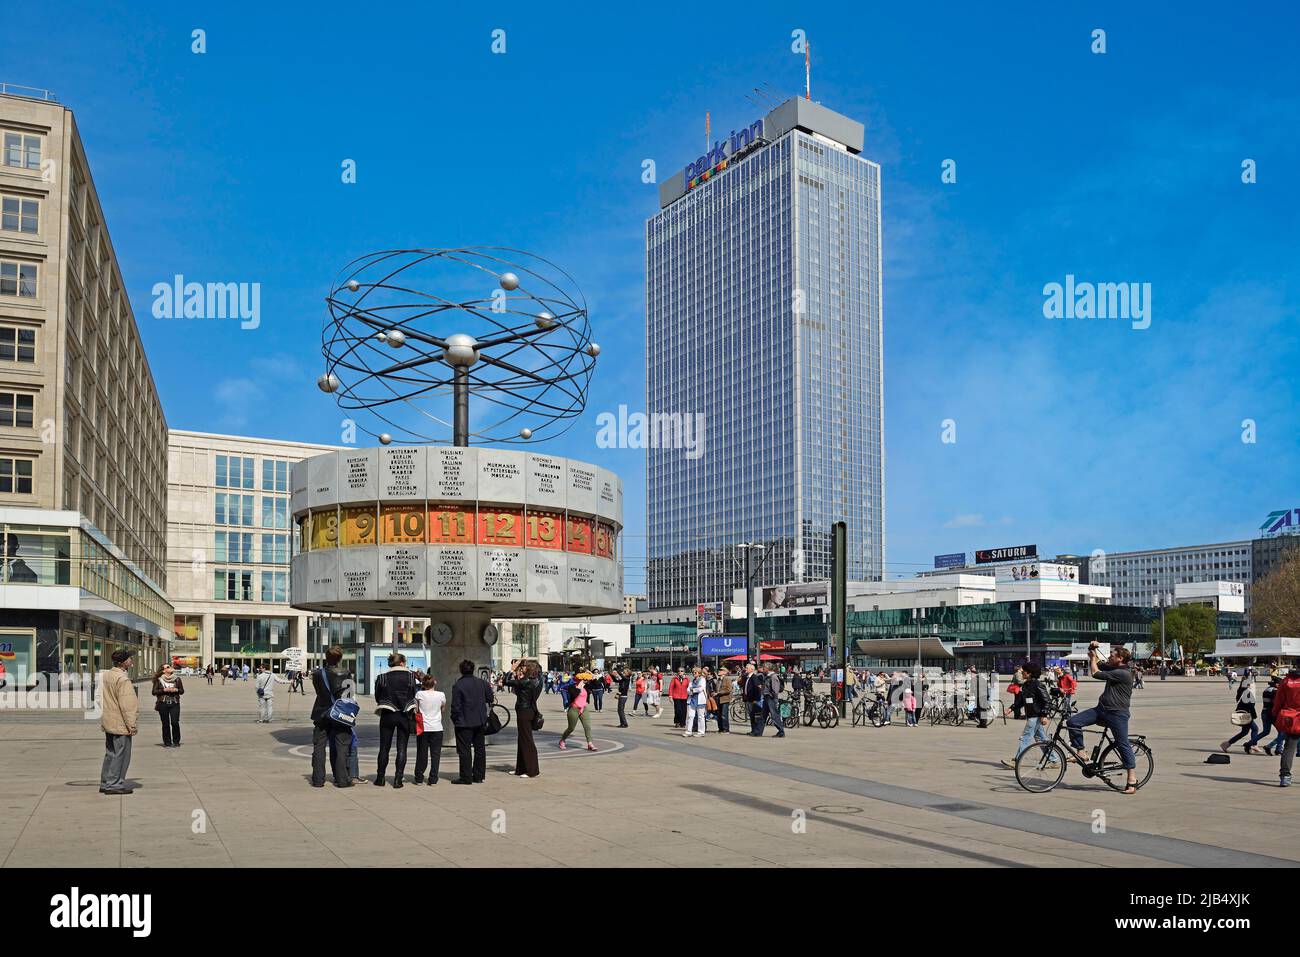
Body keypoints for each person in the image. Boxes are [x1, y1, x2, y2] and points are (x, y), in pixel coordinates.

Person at [1067, 642, 1138, 794]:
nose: (1109, 657)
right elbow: (1099, 663)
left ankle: (1132, 779)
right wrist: (1092, 650)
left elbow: (1096, 672)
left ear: (1120, 659)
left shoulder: (1123, 673)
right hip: (1101, 710)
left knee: (1122, 744)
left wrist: (1093, 659)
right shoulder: (1115, 668)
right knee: (1073, 722)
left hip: (1117, 714)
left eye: (1112, 655)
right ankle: (1081, 751)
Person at [373, 653, 419, 787]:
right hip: (405, 714)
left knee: (384, 747)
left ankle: (380, 778)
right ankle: (398, 779)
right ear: (402, 663)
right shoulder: (411, 677)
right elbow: (413, 694)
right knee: (402, 748)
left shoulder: (382, 677)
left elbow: (378, 697)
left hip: (387, 713)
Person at [310, 646, 353, 788]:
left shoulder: (317, 674)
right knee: (341, 746)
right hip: (340, 714)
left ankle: (318, 779)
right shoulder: (345, 673)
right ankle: (342, 779)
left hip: (321, 712)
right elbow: (349, 695)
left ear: (326, 657)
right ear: (340, 658)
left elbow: (319, 692)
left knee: (319, 746)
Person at [99, 649, 139, 795]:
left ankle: (105, 782)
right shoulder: (123, 679)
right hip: (121, 722)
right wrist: (132, 725)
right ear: (124, 662)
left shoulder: (106, 675)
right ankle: (114, 784)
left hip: (109, 720)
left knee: (110, 753)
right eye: (130, 658)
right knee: (121, 755)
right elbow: (128, 705)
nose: (131, 660)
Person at [450, 659, 493, 784]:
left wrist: (455, 719)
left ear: (461, 670)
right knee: (480, 749)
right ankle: (479, 776)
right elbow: (490, 698)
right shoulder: (482, 683)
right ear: (473, 669)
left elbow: (455, 706)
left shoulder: (458, 685)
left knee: (464, 750)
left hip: (464, 722)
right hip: (480, 720)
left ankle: (466, 777)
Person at [1001, 662, 1050, 768]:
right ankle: (1053, 760)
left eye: (1024, 671)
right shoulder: (1026, 685)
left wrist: (1044, 715)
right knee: (1041, 739)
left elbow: (1047, 701)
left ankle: (1017, 761)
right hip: (1031, 715)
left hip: (1036, 716)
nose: (1022, 672)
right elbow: (1021, 701)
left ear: (1029, 673)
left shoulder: (1038, 685)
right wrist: (1011, 708)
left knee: (1026, 738)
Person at [505, 660, 542, 777]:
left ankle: (532, 770)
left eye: (524, 666)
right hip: (529, 711)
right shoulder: (537, 681)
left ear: (530, 668)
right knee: (523, 739)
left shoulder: (526, 682)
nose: (522, 667)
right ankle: (521, 769)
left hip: (524, 712)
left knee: (526, 740)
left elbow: (506, 681)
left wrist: (512, 669)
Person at [413, 673, 446, 786]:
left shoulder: (419, 694)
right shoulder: (441, 695)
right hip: (437, 727)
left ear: (423, 684)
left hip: (423, 727)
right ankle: (433, 778)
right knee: (435, 754)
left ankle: (419, 777)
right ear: (434, 682)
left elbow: (416, 710)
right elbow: (442, 709)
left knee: (422, 753)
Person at [1269, 667, 1300, 786]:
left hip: (1291, 718)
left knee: (1289, 748)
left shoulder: (1286, 681)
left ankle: (1285, 777)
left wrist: (1274, 713)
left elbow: (1278, 700)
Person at [559, 671, 598, 751]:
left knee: (587, 726)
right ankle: (562, 740)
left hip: (584, 709)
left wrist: (591, 674)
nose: (585, 681)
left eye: (586, 680)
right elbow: (574, 694)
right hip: (574, 709)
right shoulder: (571, 687)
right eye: (584, 680)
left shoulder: (586, 686)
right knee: (571, 728)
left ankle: (590, 744)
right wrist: (580, 687)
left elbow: (596, 684)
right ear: (578, 679)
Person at [1221, 674, 1259, 755]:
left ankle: (1227, 744)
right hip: (1245, 714)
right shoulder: (1248, 693)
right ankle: (1253, 745)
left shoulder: (1241, 691)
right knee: (1255, 729)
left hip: (1241, 713)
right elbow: (1251, 706)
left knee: (1244, 732)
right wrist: (1254, 715)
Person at [151, 663, 184, 748]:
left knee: (174, 722)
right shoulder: (159, 680)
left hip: (175, 703)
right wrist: (164, 690)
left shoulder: (177, 679)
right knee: (165, 723)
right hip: (163, 703)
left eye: (170, 666)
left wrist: (176, 690)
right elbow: (154, 692)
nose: (170, 667)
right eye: (168, 667)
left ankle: (176, 741)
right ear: (163, 670)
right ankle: (167, 742)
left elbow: (182, 691)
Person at [762, 663, 786, 738]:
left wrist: (772, 695)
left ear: (768, 668)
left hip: (771, 698)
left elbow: (775, 689)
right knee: (763, 716)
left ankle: (781, 732)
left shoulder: (773, 676)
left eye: (764, 668)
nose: (763, 669)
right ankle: (758, 731)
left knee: (774, 715)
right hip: (767, 697)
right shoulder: (768, 676)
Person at [684, 667, 708, 737]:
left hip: (700, 701)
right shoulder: (692, 682)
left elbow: (700, 689)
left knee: (700, 717)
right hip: (692, 700)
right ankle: (688, 731)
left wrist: (692, 690)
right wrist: (692, 690)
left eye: (695, 672)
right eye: (693, 672)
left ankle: (701, 732)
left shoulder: (702, 680)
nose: (693, 673)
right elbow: (688, 690)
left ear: (699, 673)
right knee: (690, 716)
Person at [743, 663, 766, 736]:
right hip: (748, 699)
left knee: (755, 716)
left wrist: (756, 699)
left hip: (753, 700)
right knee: (751, 715)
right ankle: (753, 730)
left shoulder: (754, 677)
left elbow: (757, 689)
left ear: (752, 669)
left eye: (747, 668)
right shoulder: (747, 677)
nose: (745, 669)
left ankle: (756, 731)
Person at [715, 667, 733, 734]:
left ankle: (726, 729)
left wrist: (719, 693)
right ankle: (720, 729)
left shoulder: (727, 679)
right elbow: (717, 689)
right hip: (718, 699)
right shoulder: (718, 679)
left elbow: (728, 689)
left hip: (725, 699)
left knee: (724, 715)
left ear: (725, 672)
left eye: (721, 670)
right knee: (719, 715)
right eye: (719, 670)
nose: (719, 671)